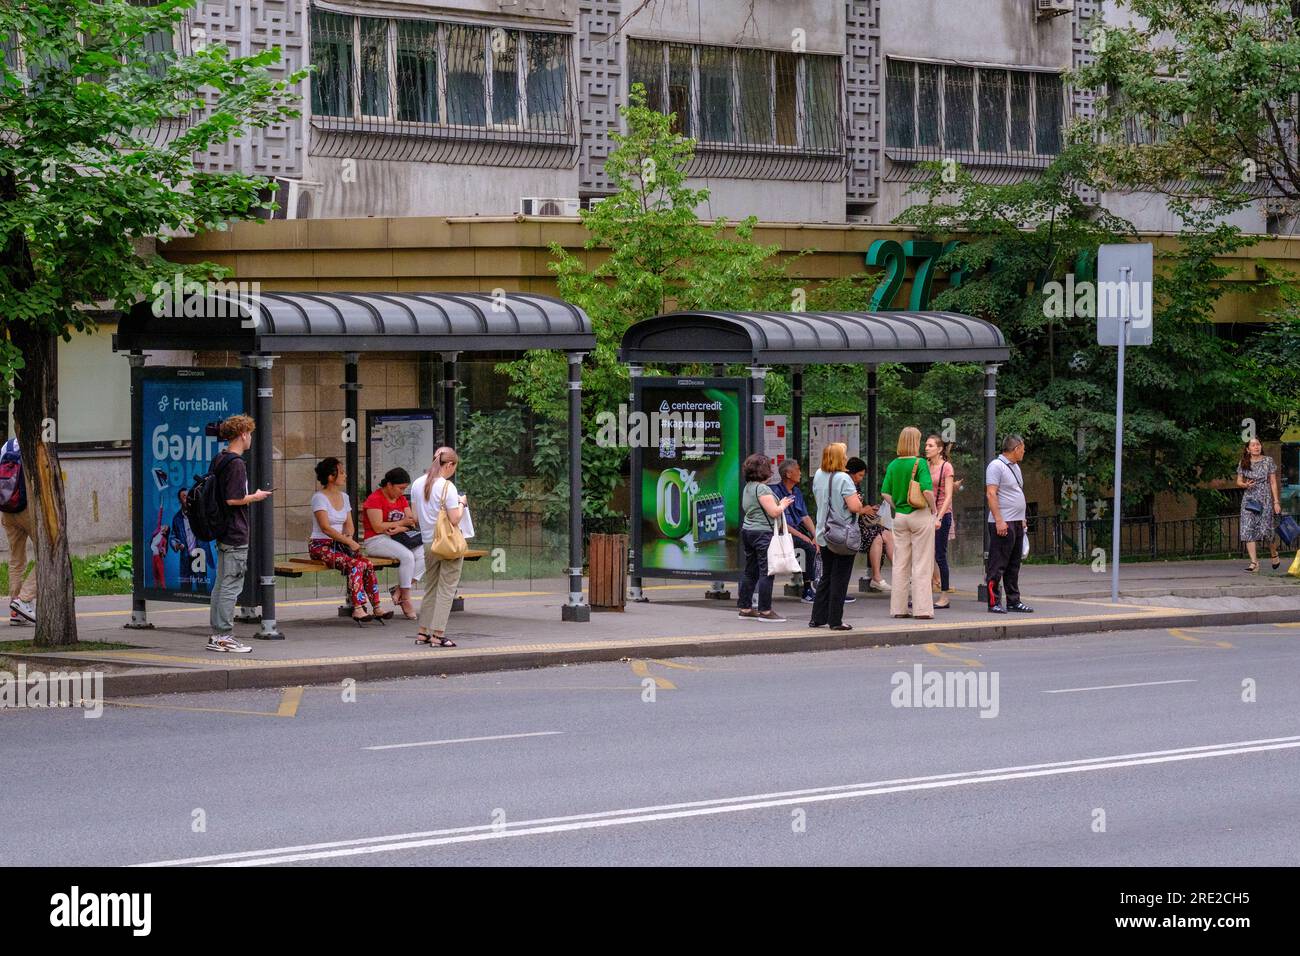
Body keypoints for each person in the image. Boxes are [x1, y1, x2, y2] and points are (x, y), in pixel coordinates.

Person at [207, 414, 271, 653]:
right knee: (231, 585)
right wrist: (255, 496)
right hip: (235, 532)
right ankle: (223, 635)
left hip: (223, 530)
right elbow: (233, 498)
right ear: (243, 434)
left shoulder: (220, 458)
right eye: (250, 434)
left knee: (221, 584)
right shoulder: (236, 463)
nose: (251, 438)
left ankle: (217, 635)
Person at [309, 457, 389, 624]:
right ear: (331, 477)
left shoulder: (344, 497)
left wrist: (348, 538)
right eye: (342, 472)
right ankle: (358, 608)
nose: (345, 475)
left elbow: (349, 525)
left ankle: (377, 606)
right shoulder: (319, 498)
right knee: (356, 565)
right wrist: (348, 542)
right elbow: (325, 527)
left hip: (340, 544)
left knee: (367, 563)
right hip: (320, 545)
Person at [809, 442, 869, 631]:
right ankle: (836, 620)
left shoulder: (819, 474)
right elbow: (853, 507)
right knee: (840, 578)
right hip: (842, 534)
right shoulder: (844, 478)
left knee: (826, 576)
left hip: (823, 532)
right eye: (843, 454)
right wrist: (860, 504)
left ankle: (817, 618)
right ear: (839, 458)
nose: (845, 457)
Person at [410, 447, 467, 647]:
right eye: (454, 467)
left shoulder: (417, 483)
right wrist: (462, 503)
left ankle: (423, 632)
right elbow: (454, 518)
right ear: (449, 465)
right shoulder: (447, 487)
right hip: (447, 545)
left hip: (428, 543)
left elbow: (415, 518)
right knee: (446, 589)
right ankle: (438, 635)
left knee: (431, 587)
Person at [880, 427, 936, 619]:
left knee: (900, 563)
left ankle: (898, 609)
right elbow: (927, 490)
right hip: (920, 515)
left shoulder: (893, 465)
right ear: (915, 442)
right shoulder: (920, 463)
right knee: (921, 563)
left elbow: (885, 492)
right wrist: (934, 509)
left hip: (901, 517)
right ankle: (922, 610)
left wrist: (898, 505)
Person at [737, 453, 794, 623]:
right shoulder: (762, 489)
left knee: (750, 571)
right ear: (764, 470)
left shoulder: (748, 487)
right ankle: (765, 610)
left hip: (748, 531)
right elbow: (774, 512)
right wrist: (783, 504)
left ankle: (745, 608)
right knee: (766, 572)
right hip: (763, 533)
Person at [362, 467, 426, 619]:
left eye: (404, 488)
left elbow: (410, 521)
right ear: (389, 485)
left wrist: (399, 527)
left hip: (398, 537)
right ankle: (406, 598)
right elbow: (377, 526)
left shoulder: (401, 499)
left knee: (426, 553)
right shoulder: (374, 499)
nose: (402, 492)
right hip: (376, 540)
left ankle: (399, 589)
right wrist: (401, 523)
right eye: (400, 488)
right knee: (408, 557)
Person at [985, 434, 1033, 614]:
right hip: (1002, 522)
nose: (1024, 451)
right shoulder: (996, 466)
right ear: (1015, 449)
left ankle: (1013, 600)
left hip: (1016, 522)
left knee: (1014, 564)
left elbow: (1016, 492)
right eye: (1023, 448)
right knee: (997, 564)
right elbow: (991, 494)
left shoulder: (1015, 467)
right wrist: (999, 520)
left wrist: (1022, 517)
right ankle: (993, 602)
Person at [769, 459, 818, 603]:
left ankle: (818, 585)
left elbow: (805, 516)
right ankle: (808, 589)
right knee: (808, 548)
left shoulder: (796, 491)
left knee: (817, 545)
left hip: (797, 531)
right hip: (784, 533)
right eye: (797, 469)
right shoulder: (775, 492)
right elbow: (780, 523)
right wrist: (803, 536)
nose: (800, 473)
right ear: (788, 474)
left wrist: (816, 535)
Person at [0, 436, 35, 626]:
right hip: (28, 509)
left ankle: (15, 611)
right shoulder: (36, 443)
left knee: (16, 559)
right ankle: (24, 599)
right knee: (52, 553)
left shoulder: (7, 445)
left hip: (7, 509)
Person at [1237, 437, 1281, 572]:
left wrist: (1276, 502)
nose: (1257, 447)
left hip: (1265, 498)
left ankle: (1274, 553)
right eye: (1253, 445)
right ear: (1248, 449)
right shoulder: (1243, 462)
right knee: (1247, 527)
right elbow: (1238, 482)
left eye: (1258, 444)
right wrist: (1245, 485)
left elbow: (1273, 482)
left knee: (1266, 530)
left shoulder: (1268, 461)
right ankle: (1254, 563)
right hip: (1249, 499)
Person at [847, 456, 887, 594]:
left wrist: (868, 509)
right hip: (854, 526)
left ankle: (897, 574)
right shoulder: (847, 484)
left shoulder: (855, 485)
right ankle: (879, 576)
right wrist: (865, 510)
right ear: (851, 473)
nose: (861, 478)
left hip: (861, 523)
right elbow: (853, 508)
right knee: (879, 535)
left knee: (885, 535)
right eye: (860, 475)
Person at [925, 434, 954, 609]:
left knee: (939, 556)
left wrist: (939, 517)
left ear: (939, 449)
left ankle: (944, 595)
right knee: (925, 555)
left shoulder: (946, 467)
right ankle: (925, 592)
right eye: (926, 445)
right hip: (926, 514)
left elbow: (949, 495)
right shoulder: (924, 466)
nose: (926, 448)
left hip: (941, 514)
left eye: (930, 445)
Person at [171, 489, 215, 593]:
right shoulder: (177, 519)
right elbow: (172, 537)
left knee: (202, 586)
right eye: (184, 496)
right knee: (185, 588)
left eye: (189, 496)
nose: (187, 498)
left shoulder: (199, 514)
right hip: (186, 556)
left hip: (199, 556)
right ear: (180, 500)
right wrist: (177, 545)